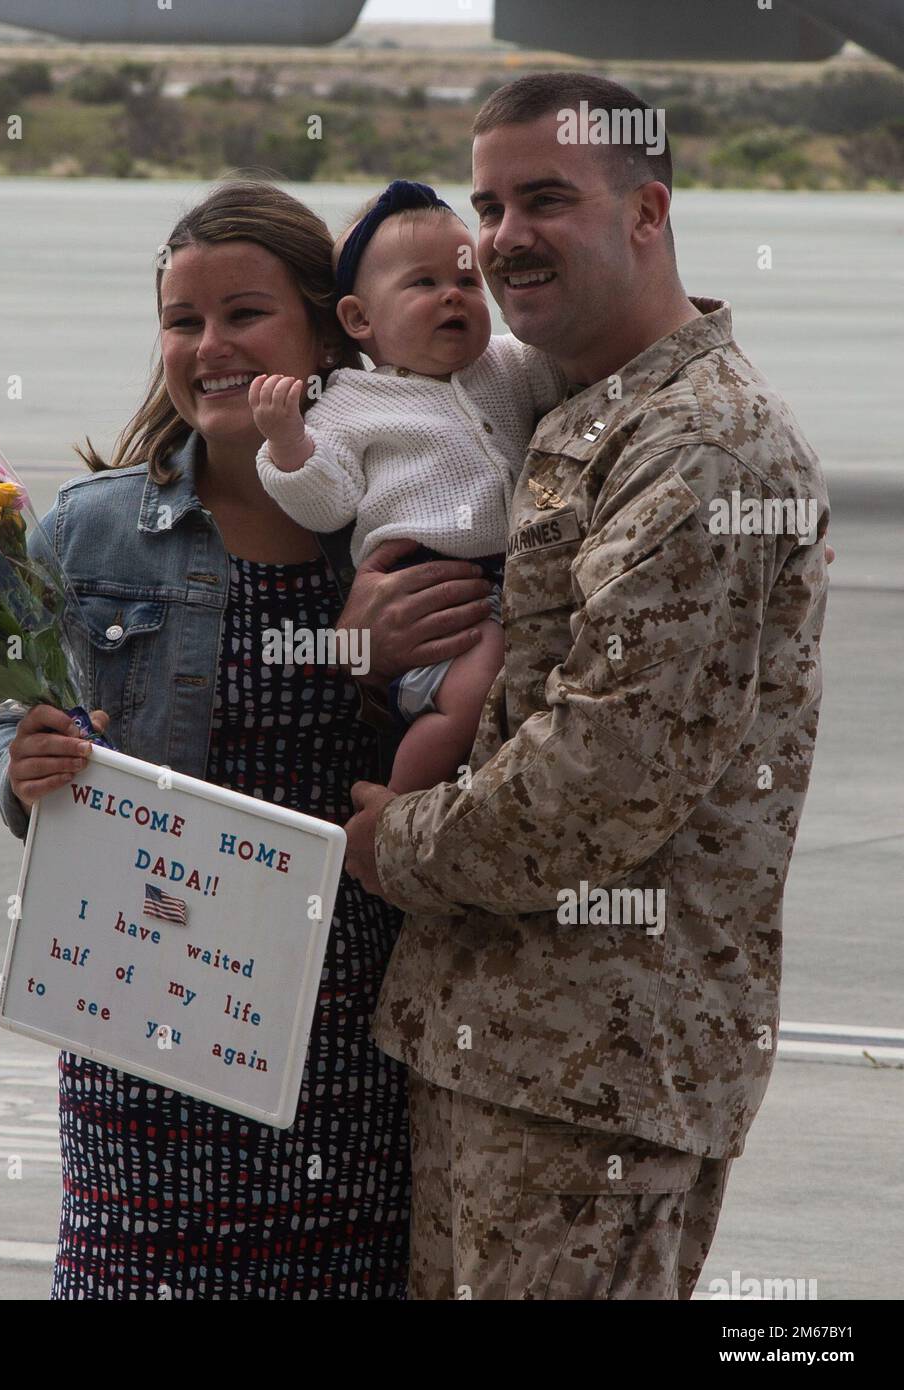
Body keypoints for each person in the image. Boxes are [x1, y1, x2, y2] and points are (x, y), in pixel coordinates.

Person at [342, 73, 830, 1299]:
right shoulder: (559, 408)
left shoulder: (701, 446)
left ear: (648, 211)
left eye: (545, 199)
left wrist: (393, 845)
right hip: (499, 1050)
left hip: (594, 1079)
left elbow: (601, 780)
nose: (503, 238)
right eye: (488, 206)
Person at [0, 180, 484, 1300]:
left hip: (349, 1042)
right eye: (181, 320)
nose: (209, 347)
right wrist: (21, 761)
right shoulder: (93, 527)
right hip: (143, 1025)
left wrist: (371, 663)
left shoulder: (399, 529)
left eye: (245, 314)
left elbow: (478, 758)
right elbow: (5, 714)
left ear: (327, 332)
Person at [250, 178, 565, 795]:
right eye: (424, 283)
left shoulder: (508, 363)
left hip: (515, 579)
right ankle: (395, 802)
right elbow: (327, 504)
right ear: (359, 317)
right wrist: (288, 443)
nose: (453, 295)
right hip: (425, 590)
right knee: (473, 691)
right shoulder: (349, 403)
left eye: (468, 281)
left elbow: (579, 363)